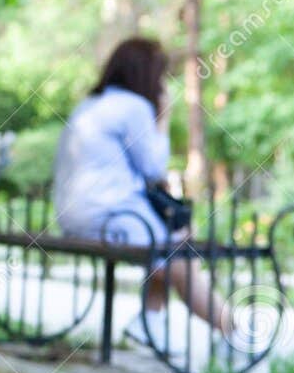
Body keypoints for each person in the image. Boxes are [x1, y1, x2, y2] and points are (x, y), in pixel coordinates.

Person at [53, 37, 231, 354]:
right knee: (180, 253)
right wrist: (163, 120)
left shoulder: (89, 105)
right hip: (112, 215)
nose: (162, 84)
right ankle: (235, 334)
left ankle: (152, 320)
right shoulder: (134, 107)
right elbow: (154, 168)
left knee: (172, 242)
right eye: (161, 74)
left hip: (75, 217)